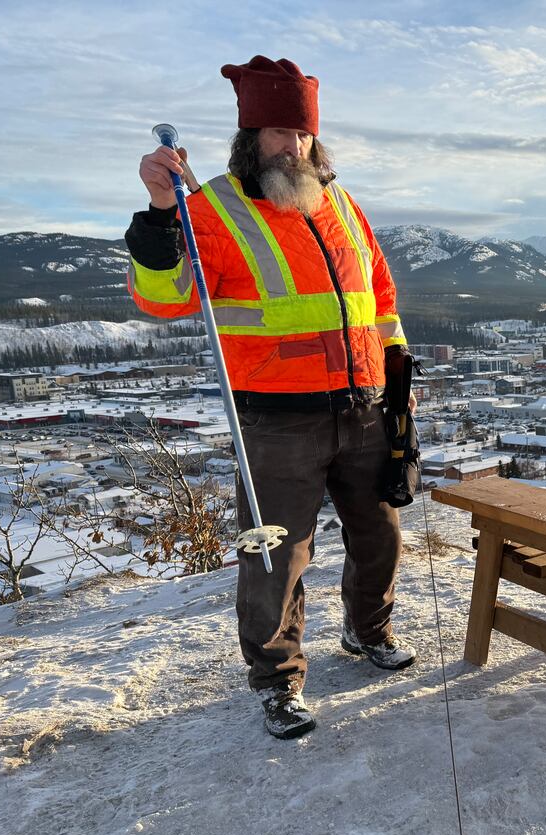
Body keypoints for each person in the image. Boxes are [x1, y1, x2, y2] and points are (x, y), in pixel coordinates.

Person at [125, 56, 417, 740]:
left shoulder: (341, 203)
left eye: (303, 133)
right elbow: (163, 298)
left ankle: (367, 631)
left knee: (380, 536)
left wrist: (397, 391)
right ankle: (279, 681)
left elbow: (379, 298)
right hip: (278, 420)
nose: (294, 146)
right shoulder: (215, 207)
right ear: (250, 137)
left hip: (363, 406)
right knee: (276, 559)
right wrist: (163, 211)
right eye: (280, 133)